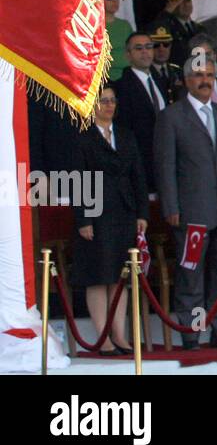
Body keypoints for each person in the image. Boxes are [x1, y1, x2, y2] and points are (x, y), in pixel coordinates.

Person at [155, 54, 217, 349]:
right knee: (191, 274)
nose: (204, 80)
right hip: (191, 214)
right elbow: (165, 165)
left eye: (209, 75)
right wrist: (171, 207)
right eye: (198, 76)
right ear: (185, 81)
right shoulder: (171, 116)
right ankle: (192, 332)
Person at [72, 85, 148, 356]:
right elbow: (78, 181)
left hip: (124, 212)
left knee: (120, 276)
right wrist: (83, 219)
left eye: (113, 101)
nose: (109, 105)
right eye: (103, 101)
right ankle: (103, 338)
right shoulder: (82, 137)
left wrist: (142, 213)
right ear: (92, 105)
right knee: (98, 274)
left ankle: (120, 336)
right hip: (96, 214)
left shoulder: (126, 136)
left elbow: (138, 176)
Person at [114, 31, 169, 190]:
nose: (145, 51)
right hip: (141, 161)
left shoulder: (161, 81)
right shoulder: (122, 87)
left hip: (165, 158)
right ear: (128, 55)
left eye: (148, 47)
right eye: (138, 48)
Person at [103, 0, 133, 80]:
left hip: (128, 75)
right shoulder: (96, 27)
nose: (115, 1)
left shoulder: (125, 25)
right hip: (107, 79)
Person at [149, 25, 182, 100]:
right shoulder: (146, 73)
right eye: (156, 45)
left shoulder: (178, 71)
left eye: (166, 45)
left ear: (170, 46)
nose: (161, 49)